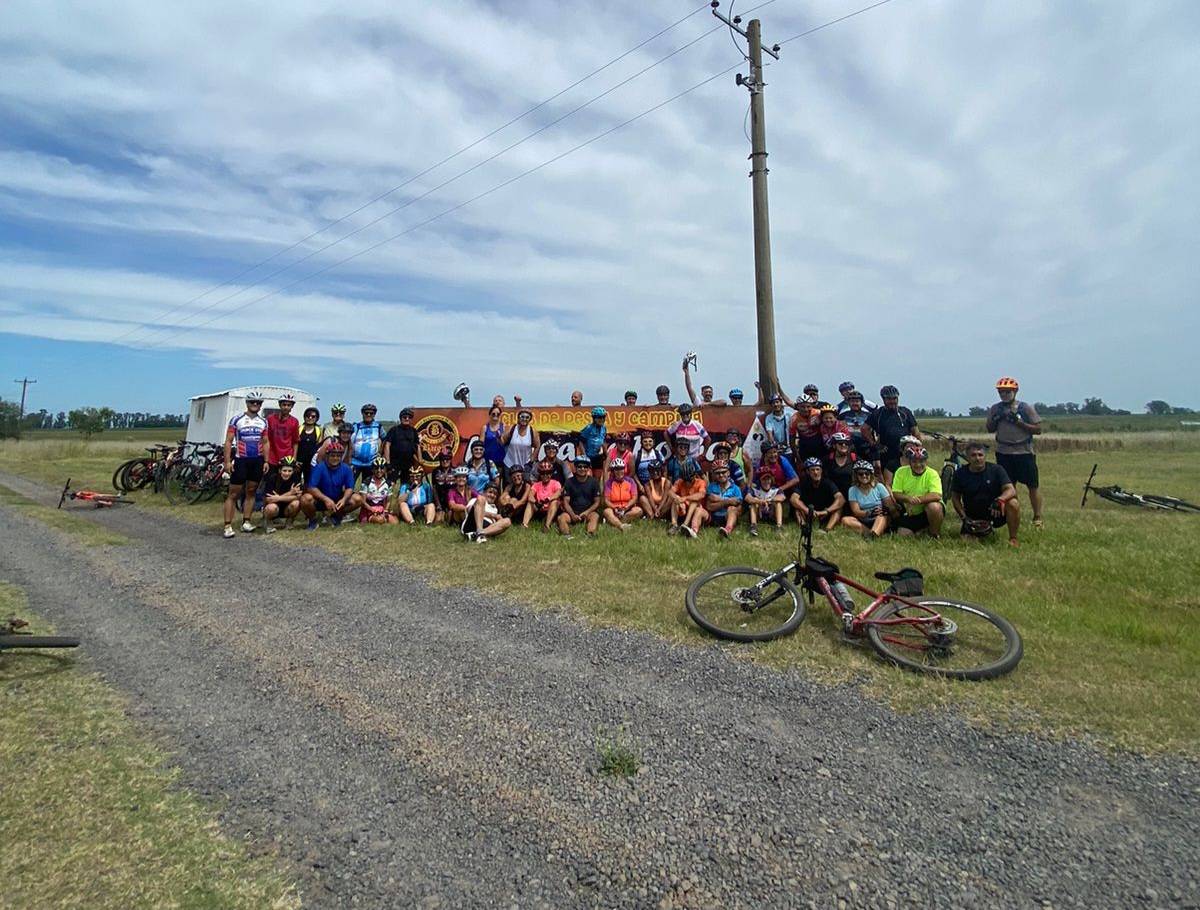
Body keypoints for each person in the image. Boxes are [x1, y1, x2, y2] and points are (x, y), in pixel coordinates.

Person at [986, 377, 1044, 529]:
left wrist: (1019, 423)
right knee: (1008, 486)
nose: (1004, 395)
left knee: (1032, 485)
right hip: (1003, 451)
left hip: (1024, 451)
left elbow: (1038, 429)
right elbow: (989, 428)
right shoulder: (995, 408)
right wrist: (997, 419)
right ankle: (1014, 513)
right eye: (1001, 392)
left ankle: (1037, 516)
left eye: (1007, 392)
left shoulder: (1025, 408)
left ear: (1015, 391)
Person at [952, 441, 1020, 547]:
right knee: (967, 544)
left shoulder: (997, 470)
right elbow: (955, 498)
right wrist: (964, 517)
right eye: (973, 455)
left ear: (985, 456)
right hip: (972, 516)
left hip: (996, 511)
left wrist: (1000, 499)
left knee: (1013, 503)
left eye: (980, 455)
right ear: (967, 457)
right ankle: (977, 531)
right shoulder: (960, 474)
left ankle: (1013, 538)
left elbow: (1011, 490)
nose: (977, 458)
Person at [222, 391, 269, 538]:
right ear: (247, 403)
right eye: (252, 402)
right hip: (241, 459)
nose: (255, 405)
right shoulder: (236, 420)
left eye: (258, 402)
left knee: (251, 491)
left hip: (257, 460)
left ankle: (246, 521)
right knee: (233, 493)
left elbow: (266, 442)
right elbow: (229, 441)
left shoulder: (263, 422)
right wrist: (227, 461)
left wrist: (266, 461)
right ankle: (227, 525)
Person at [863, 385, 919, 484]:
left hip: (905, 452)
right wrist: (874, 444)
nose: (892, 401)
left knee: (908, 477)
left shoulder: (905, 412)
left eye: (894, 398)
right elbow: (864, 429)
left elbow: (915, 432)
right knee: (888, 481)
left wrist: (918, 448)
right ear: (883, 399)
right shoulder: (878, 414)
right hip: (886, 453)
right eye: (889, 399)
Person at [301, 443, 362, 529]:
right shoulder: (319, 467)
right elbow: (311, 488)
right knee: (305, 499)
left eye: (338, 456)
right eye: (332, 455)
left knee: (358, 499)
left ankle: (336, 516)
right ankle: (313, 520)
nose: (335, 458)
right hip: (320, 499)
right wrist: (326, 499)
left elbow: (349, 488)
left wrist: (344, 500)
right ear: (327, 456)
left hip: (337, 499)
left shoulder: (346, 468)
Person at [889, 446, 943, 538]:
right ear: (909, 462)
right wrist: (908, 498)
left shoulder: (932, 473)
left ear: (926, 461)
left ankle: (934, 534)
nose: (918, 465)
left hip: (927, 510)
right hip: (911, 512)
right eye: (914, 461)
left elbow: (937, 495)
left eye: (921, 461)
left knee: (934, 506)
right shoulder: (900, 472)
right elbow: (896, 493)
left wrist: (917, 500)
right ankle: (923, 530)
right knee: (903, 535)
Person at [790, 458, 845, 531]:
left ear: (821, 471)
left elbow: (841, 499)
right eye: (812, 470)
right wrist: (806, 510)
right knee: (797, 507)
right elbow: (793, 499)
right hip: (809, 512)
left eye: (818, 469)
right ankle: (804, 528)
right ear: (807, 472)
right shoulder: (803, 483)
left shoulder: (828, 483)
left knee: (839, 509)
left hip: (824, 513)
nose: (815, 472)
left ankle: (826, 530)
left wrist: (826, 511)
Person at [845, 461, 896, 539]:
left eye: (867, 473)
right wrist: (869, 513)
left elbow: (891, 506)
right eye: (860, 474)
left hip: (879, 516)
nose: (864, 476)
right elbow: (855, 511)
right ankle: (872, 533)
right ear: (856, 475)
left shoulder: (879, 487)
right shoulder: (852, 490)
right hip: (864, 518)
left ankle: (873, 535)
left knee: (882, 516)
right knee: (845, 520)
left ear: (871, 474)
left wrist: (885, 509)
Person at [558, 456, 601, 537]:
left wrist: (587, 512)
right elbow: (566, 502)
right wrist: (572, 515)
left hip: (588, 512)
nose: (582, 469)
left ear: (588, 468)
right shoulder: (569, 482)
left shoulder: (594, 482)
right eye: (580, 466)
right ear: (575, 468)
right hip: (572, 512)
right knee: (561, 518)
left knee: (595, 516)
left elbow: (597, 502)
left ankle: (590, 534)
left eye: (585, 467)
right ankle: (567, 535)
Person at [261, 455, 304, 532]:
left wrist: (278, 498)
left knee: (296, 503)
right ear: (280, 470)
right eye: (284, 470)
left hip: (287, 507)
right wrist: (290, 493)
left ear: (293, 471)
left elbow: (298, 497)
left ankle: (289, 522)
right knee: (271, 508)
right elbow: (269, 500)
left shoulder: (296, 479)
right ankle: (268, 523)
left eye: (290, 471)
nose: (287, 473)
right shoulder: (272, 478)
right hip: (274, 507)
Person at [265, 394, 300, 480]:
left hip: (287, 457)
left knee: (284, 483)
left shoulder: (294, 421)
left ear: (292, 407)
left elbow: (295, 442)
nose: (286, 407)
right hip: (272, 457)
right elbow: (266, 439)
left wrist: (294, 458)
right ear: (280, 405)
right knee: (270, 481)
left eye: (289, 405)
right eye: (284, 405)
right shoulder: (270, 419)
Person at [601, 458, 643, 530]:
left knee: (639, 510)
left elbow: (634, 497)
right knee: (606, 511)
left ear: (624, 470)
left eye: (621, 469)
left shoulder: (630, 481)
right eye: (616, 469)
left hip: (627, 508)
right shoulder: (609, 483)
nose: (619, 471)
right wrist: (614, 507)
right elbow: (606, 500)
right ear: (613, 471)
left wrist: (626, 507)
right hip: (614, 508)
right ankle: (622, 526)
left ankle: (615, 522)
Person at [671, 459, 709, 538]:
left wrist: (684, 498)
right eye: (685, 480)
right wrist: (677, 498)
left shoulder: (701, 482)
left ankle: (688, 527)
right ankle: (674, 525)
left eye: (689, 480)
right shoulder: (679, 482)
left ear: (694, 476)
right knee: (675, 499)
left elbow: (701, 495)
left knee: (694, 502)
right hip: (685, 510)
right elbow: (670, 492)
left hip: (701, 511)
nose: (687, 482)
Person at [705, 463, 743, 538]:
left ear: (728, 472)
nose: (721, 475)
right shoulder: (711, 487)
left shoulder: (735, 488)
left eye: (723, 472)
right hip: (715, 518)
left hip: (728, 517)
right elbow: (709, 506)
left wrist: (719, 500)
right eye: (718, 473)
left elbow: (738, 507)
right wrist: (728, 501)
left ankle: (727, 530)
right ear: (715, 475)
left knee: (732, 509)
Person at [349, 404, 385, 483]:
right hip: (355, 462)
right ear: (362, 413)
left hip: (371, 463)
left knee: (367, 487)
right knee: (349, 484)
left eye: (371, 413)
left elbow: (385, 440)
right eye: (366, 413)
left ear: (374, 414)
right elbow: (350, 442)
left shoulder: (378, 426)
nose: (368, 415)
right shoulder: (356, 426)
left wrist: (380, 453)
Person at [383, 407, 419, 481]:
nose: (407, 419)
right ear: (400, 418)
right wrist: (388, 463)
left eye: (409, 417)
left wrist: (419, 462)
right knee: (391, 484)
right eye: (404, 417)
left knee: (406, 486)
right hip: (394, 463)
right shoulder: (394, 430)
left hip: (408, 464)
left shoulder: (413, 431)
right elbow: (387, 445)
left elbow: (417, 446)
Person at [502, 409, 539, 480]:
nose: (524, 419)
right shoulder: (512, 428)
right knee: (509, 486)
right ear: (518, 418)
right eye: (522, 416)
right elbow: (503, 440)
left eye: (527, 417)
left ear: (530, 419)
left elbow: (537, 446)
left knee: (524, 486)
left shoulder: (532, 431)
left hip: (525, 465)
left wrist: (531, 460)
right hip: (509, 464)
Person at [359, 457, 398, 524]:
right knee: (379, 520)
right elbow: (363, 502)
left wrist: (385, 511)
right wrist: (372, 510)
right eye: (376, 468)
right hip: (368, 509)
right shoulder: (366, 482)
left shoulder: (388, 484)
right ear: (372, 470)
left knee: (395, 522)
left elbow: (388, 501)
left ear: (385, 469)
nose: (379, 470)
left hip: (381, 509)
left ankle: (382, 519)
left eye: (382, 468)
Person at [527, 460, 563, 530]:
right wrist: (535, 502)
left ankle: (547, 526)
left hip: (552, 509)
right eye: (543, 473)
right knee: (529, 503)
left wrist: (549, 499)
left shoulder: (556, 483)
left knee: (555, 502)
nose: (545, 475)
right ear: (540, 474)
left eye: (548, 473)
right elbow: (530, 496)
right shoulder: (536, 484)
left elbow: (558, 493)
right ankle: (524, 524)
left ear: (551, 474)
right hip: (540, 508)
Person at [840, 390, 874, 460]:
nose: (855, 403)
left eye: (857, 401)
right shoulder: (842, 416)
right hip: (849, 448)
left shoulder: (869, 415)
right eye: (852, 401)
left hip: (866, 447)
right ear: (848, 403)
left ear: (861, 403)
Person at [823, 433, 858, 498]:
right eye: (840, 443)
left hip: (851, 495)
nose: (844, 445)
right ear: (834, 445)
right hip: (832, 495)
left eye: (846, 443)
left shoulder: (855, 458)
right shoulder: (827, 460)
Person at [639, 460, 674, 525]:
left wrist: (659, 509)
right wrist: (655, 509)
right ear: (650, 472)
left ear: (661, 471)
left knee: (672, 497)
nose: (655, 473)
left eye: (657, 470)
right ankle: (652, 516)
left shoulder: (667, 482)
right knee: (642, 498)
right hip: (653, 507)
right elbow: (650, 498)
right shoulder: (647, 484)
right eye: (652, 471)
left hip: (664, 507)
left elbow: (665, 498)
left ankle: (659, 517)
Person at [296, 407, 323, 485]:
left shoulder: (319, 430)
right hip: (299, 461)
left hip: (311, 462)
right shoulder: (299, 429)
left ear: (317, 418)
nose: (310, 418)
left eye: (313, 416)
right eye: (308, 416)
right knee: (296, 482)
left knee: (309, 483)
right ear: (304, 417)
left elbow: (319, 447)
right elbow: (294, 444)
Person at [578, 407, 608, 472]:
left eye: (603, 417)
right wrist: (585, 456)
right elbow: (581, 442)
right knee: (588, 477)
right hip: (588, 456)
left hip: (598, 457)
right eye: (600, 417)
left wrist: (606, 455)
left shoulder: (604, 428)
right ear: (594, 418)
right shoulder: (588, 428)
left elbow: (603, 441)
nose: (602, 419)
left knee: (597, 479)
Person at [432, 448, 456, 521]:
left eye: (447, 459)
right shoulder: (435, 471)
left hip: (452, 501)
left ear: (451, 459)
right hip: (440, 500)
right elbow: (434, 488)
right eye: (442, 459)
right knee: (438, 520)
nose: (445, 461)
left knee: (449, 520)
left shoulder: (455, 471)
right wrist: (438, 505)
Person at [481, 405, 507, 470]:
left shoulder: (503, 427)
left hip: (501, 459)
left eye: (498, 414)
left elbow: (505, 443)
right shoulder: (485, 428)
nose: (495, 415)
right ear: (489, 415)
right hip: (487, 459)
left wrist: (499, 438)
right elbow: (481, 444)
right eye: (493, 414)